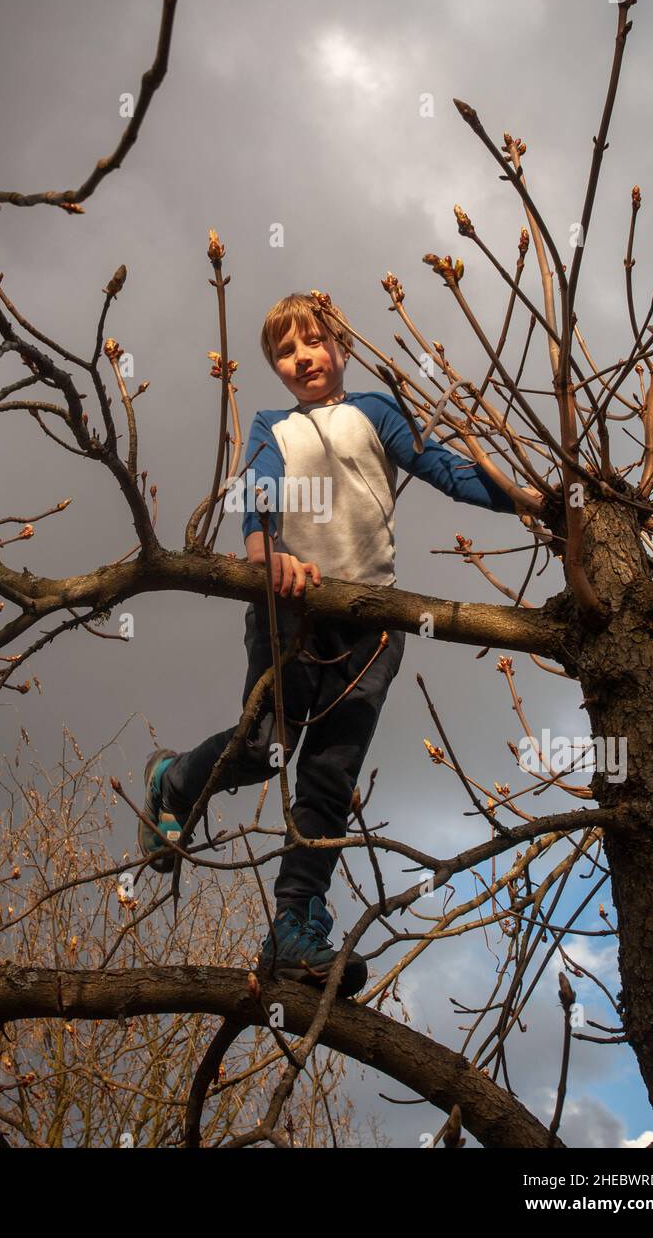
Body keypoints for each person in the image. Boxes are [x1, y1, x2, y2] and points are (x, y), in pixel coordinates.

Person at [139, 291, 523, 996]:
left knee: (329, 777)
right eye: (285, 351)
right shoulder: (271, 425)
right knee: (264, 746)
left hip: (373, 625)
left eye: (312, 341)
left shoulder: (372, 411)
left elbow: (443, 468)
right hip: (291, 609)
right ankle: (174, 780)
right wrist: (264, 553)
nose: (301, 356)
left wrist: (529, 499)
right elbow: (258, 491)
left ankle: (296, 931)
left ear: (340, 346)